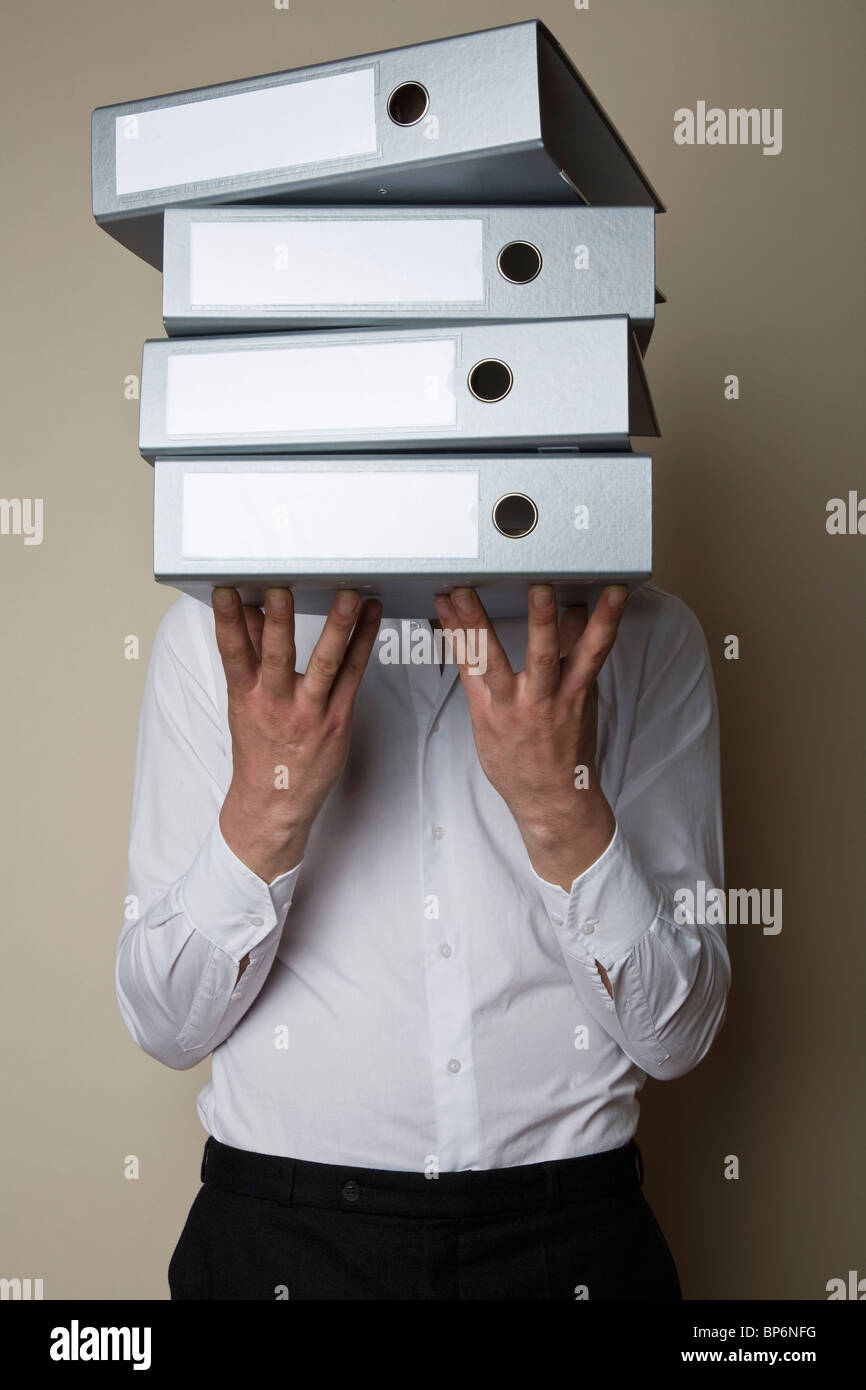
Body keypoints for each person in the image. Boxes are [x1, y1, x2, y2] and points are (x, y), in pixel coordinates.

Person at [117, 580, 729, 1300]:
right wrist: (265, 809)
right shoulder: (213, 633)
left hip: (571, 1243)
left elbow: (676, 1036)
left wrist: (562, 809)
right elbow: (166, 1027)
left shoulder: (642, 630)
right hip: (279, 1247)